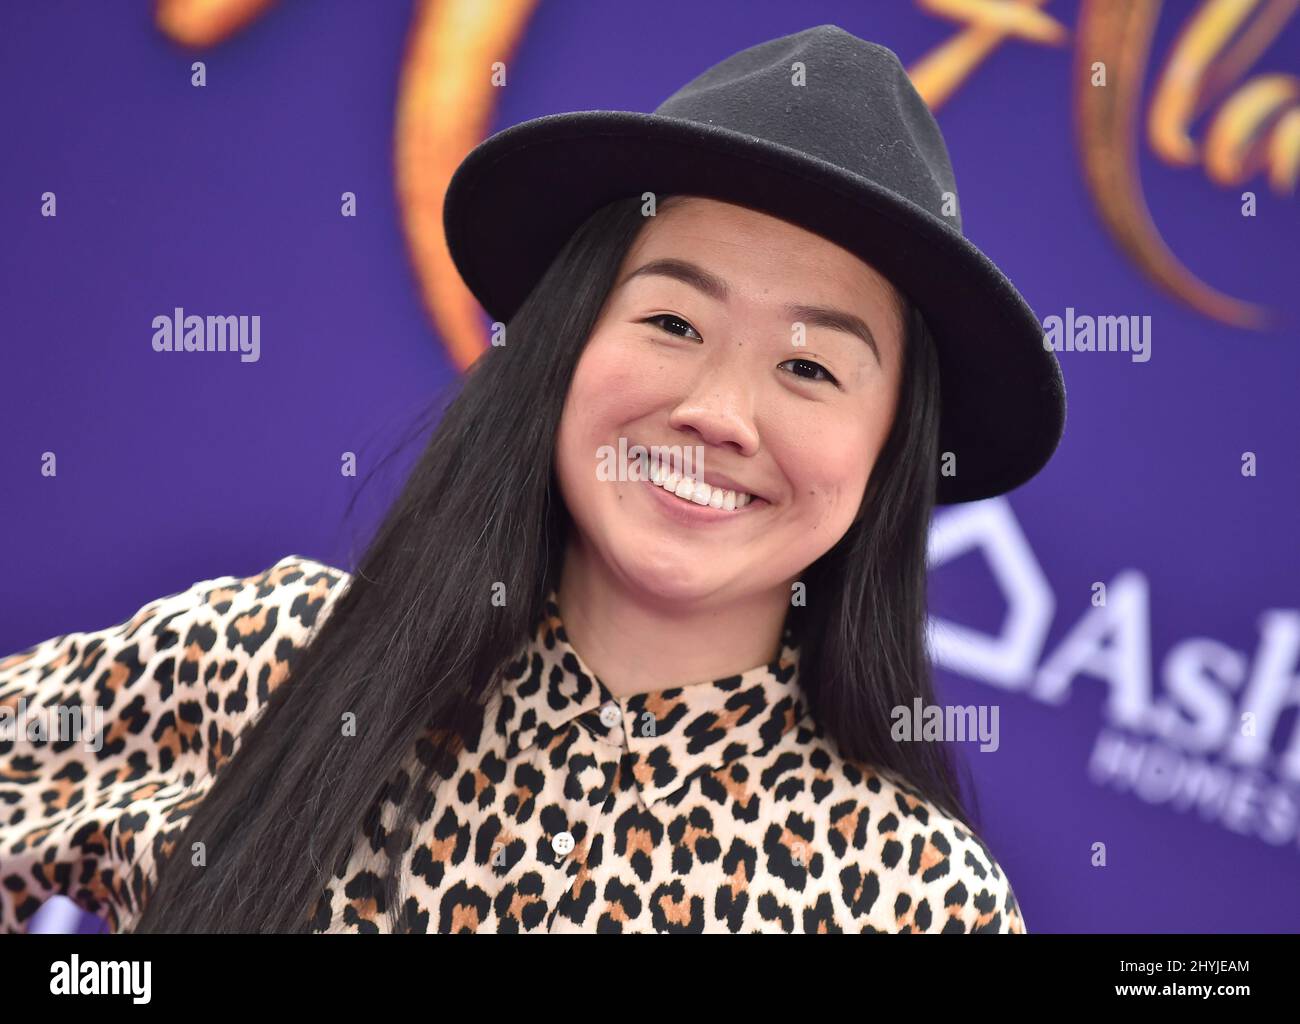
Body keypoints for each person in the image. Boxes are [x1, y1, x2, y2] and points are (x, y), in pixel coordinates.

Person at [0, 24, 1062, 934]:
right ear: (565, 344)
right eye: (671, 321)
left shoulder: (916, 901)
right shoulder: (265, 660)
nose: (719, 411)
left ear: (885, 456)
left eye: (810, 367)